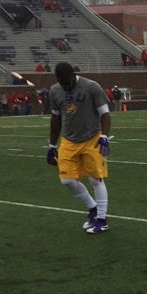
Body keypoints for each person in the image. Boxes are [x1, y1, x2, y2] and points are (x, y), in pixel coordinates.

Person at [47, 61, 111, 234]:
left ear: (73, 74)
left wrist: (104, 136)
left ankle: (102, 220)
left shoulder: (91, 86)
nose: (65, 86)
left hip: (92, 137)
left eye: (67, 82)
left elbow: (105, 113)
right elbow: (56, 118)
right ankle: (93, 209)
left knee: (95, 179)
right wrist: (52, 145)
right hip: (69, 140)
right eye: (61, 82)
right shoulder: (55, 91)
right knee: (67, 180)